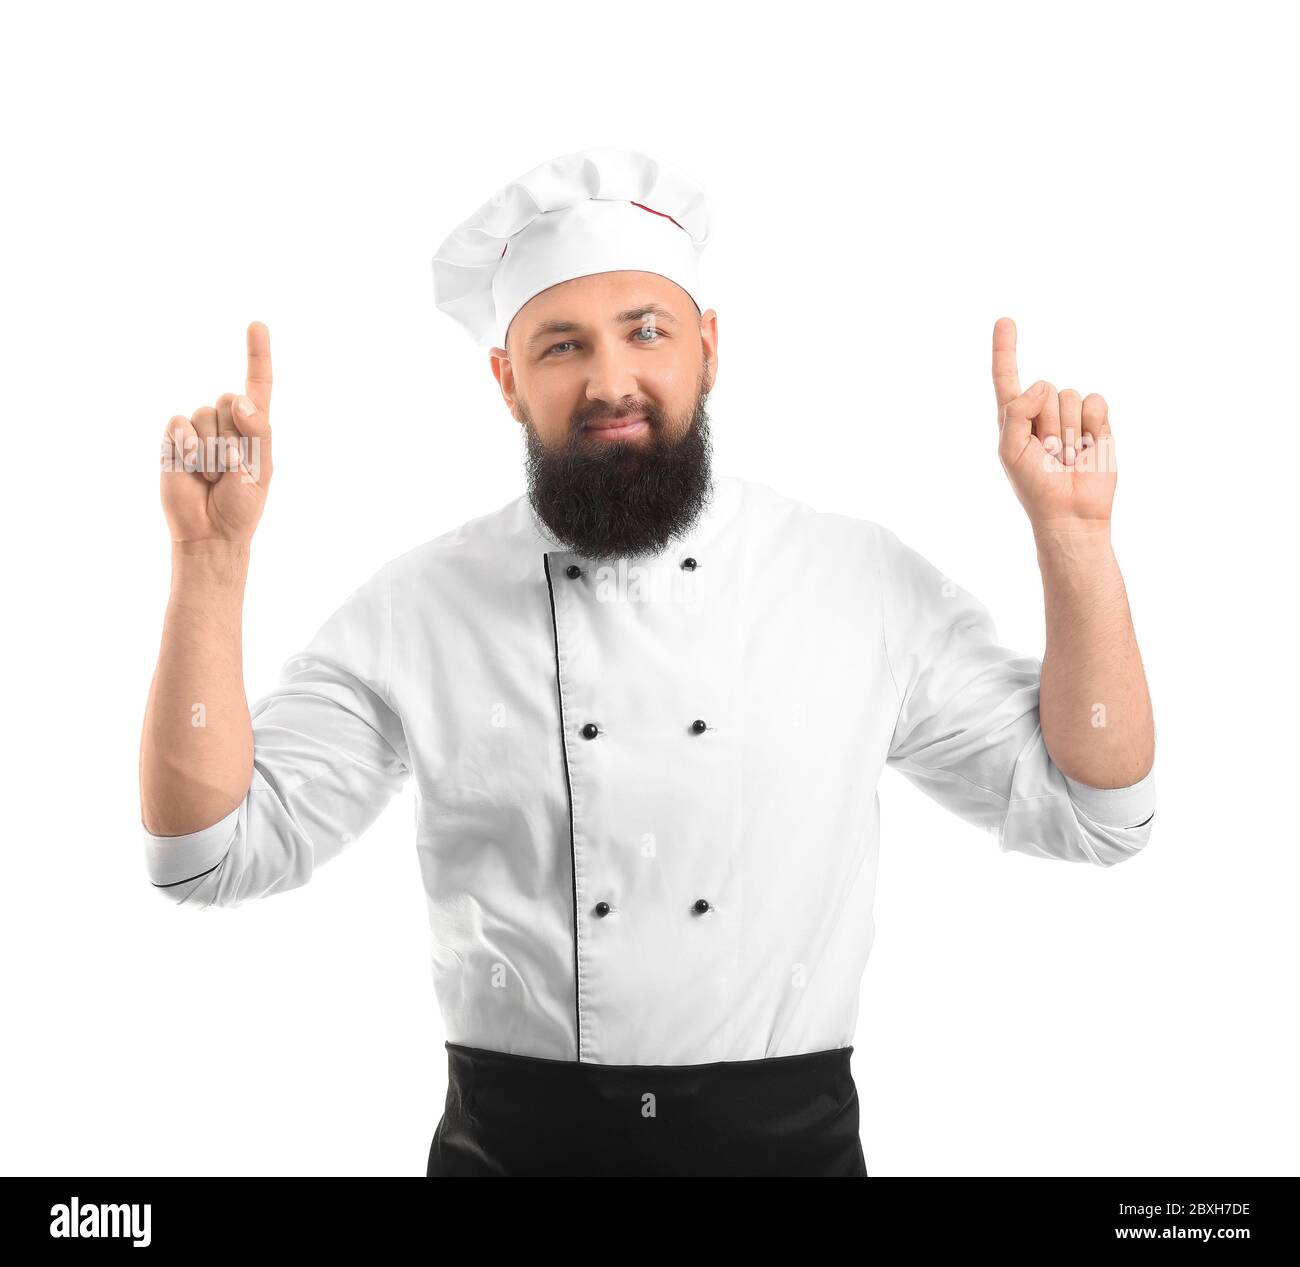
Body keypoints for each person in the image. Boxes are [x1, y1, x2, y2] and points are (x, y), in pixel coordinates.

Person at [139, 146, 1156, 1178]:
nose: (610, 381)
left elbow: (1099, 808)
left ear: (708, 348)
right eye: (562, 346)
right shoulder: (420, 607)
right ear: (506, 381)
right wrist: (209, 563)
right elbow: (208, 852)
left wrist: (1074, 538)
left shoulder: (858, 582)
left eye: (647, 332)